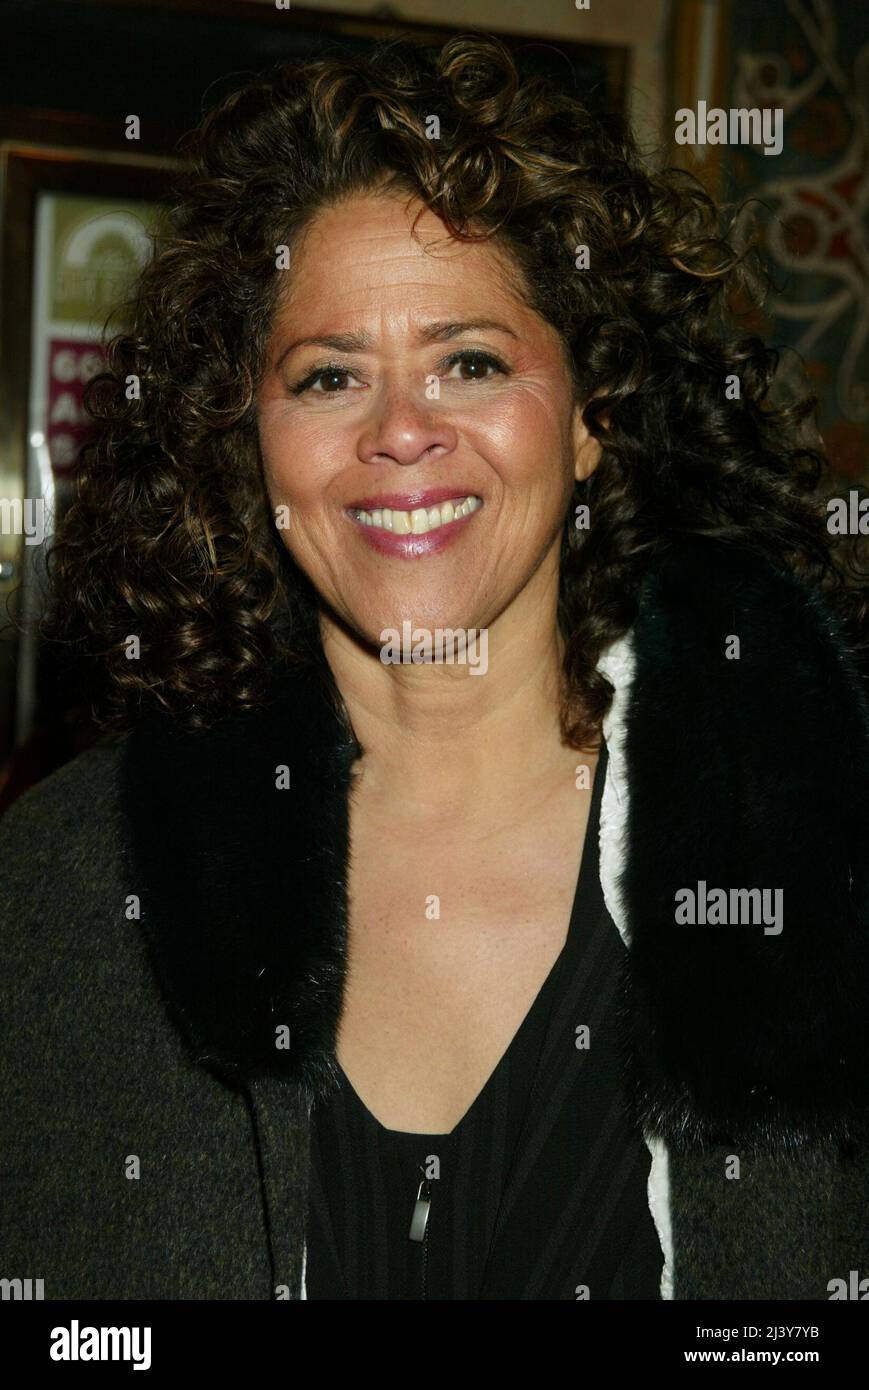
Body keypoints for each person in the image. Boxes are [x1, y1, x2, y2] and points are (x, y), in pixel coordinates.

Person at [1, 33, 867, 1302]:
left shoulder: (817, 852)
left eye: (470, 360)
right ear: (250, 445)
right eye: (328, 376)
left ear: (589, 419)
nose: (401, 431)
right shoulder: (66, 884)